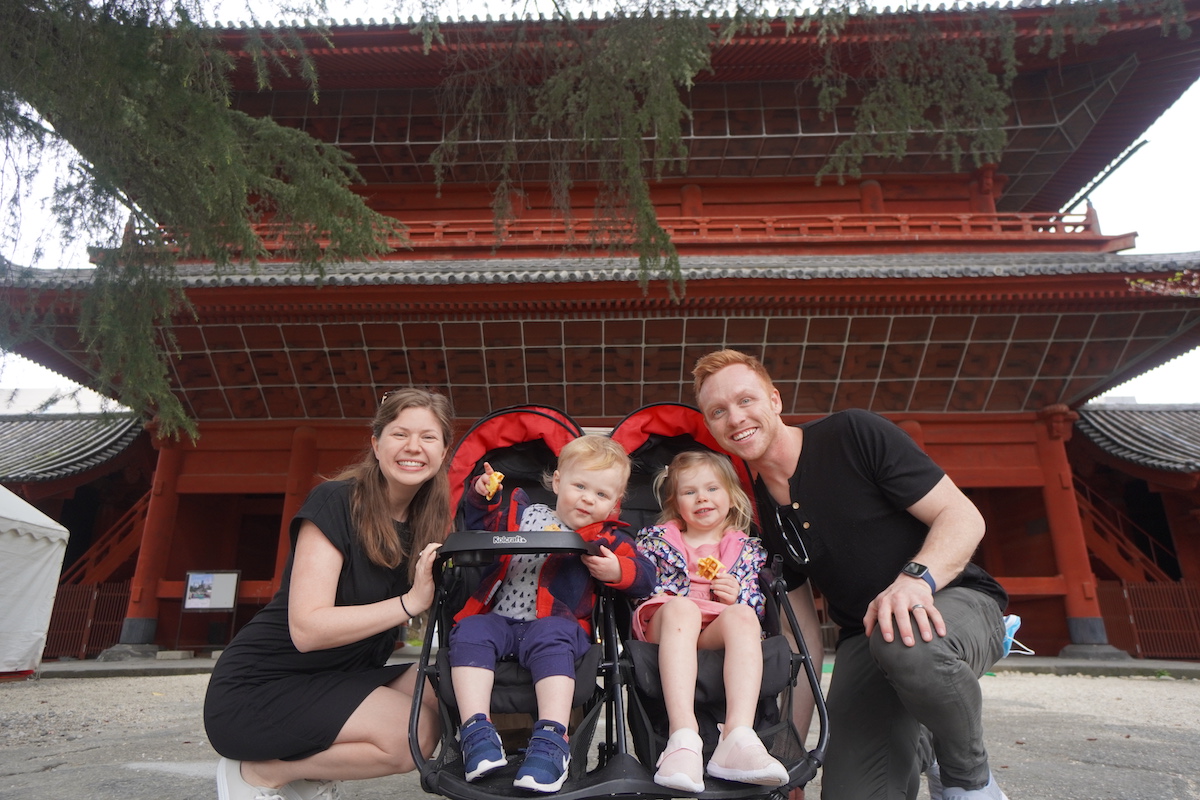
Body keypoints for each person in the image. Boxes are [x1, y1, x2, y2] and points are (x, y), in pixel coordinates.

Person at [692, 349, 1010, 800]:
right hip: (865, 637)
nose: (735, 417)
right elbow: (800, 633)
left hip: (951, 599)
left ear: (775, 401)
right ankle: (922, 735)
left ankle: (965, 779)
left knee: (906, 642)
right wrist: (791, 759)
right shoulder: (755, 514)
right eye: (718, 411)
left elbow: (962, 517)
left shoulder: (853, 432)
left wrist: (915, 580)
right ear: (710, 426)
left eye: (746, 400)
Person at [204, 388, 453, 800]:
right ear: (376, 444)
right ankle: (262, 771)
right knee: (416, 733)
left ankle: (301, 771)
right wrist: (409, 602)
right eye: (399, 434)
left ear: (444, 452)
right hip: (262, 686)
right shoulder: (335, 501)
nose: (413, 447)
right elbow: (307, 629)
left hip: (339, 677)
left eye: (428, 437)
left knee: (449, 687)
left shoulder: (426, 523)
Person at [449, 434, 655, 793]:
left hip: (557, 624)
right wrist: (484, 495)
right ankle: (476, 732)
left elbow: (645, 577)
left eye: (602, 495)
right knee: (469, 629)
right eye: (579, 486)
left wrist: (618, 571)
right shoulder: (522, 514)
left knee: (552, 636)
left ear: (614, 505)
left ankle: (551, 741)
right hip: (499, 618)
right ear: (558, 481)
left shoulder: (606, 537)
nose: (588, 498)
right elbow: (482, 524)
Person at [633, 449, 790, 794]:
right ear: (676, 502)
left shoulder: (747, 550)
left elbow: (758, 605)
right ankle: (684, 736)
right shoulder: (657, 542)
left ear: (732, 498)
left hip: (714, 626)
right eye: (690, 492)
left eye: (712, 489)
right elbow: (640, 585)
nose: (702, 497)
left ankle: (737, 735)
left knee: (744, 616)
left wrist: (737, 596)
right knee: (682, 609)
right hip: (667, 620)